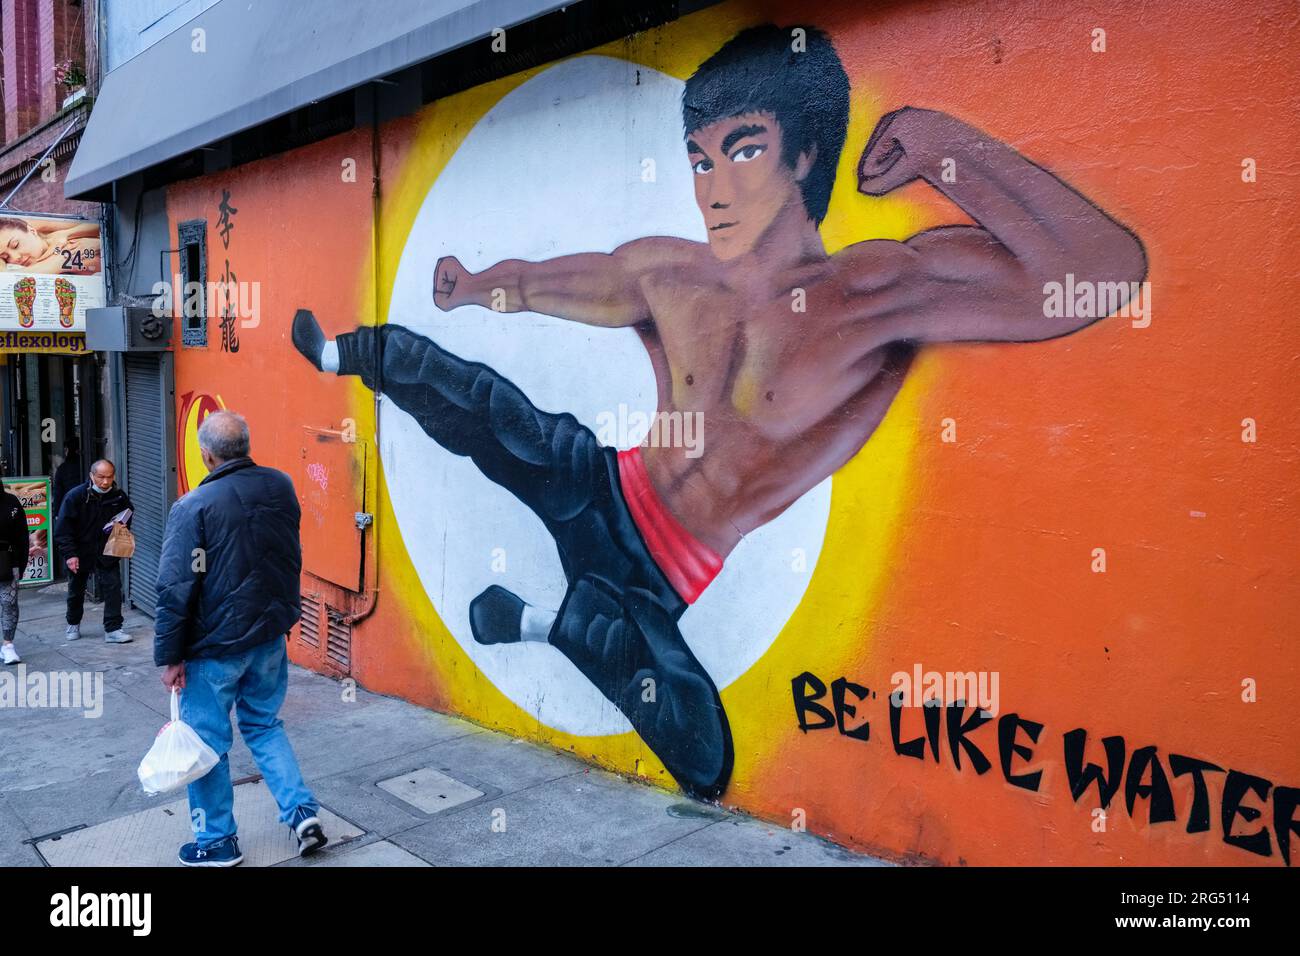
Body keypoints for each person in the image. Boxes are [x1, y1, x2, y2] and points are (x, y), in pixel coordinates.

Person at [291, 24, 1146, 799]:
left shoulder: (871, 296)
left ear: (805, 154)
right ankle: (347, 353)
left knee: (700, 755)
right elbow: (565, 281)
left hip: (657, 576)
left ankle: (558, 625)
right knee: (490, 412)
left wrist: (940, 148)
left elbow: (1099, 269)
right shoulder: (676, 273)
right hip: (598, 485)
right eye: (701, 160)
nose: (715, 187)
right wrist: (477, 289)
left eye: (743, 150)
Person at [153, 410, 326, 867]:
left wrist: (169, 655)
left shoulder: (194, 506)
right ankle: (303, 814)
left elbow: (176, 586)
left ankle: (216, 841)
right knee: (265, 726)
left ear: (205, 453)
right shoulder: (280, 485)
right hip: (268, 636)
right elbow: (287, 554)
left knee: (206, 742)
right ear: (246, 445)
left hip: (215, 647)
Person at [54, 459, 134, 644]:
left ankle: (113, 629)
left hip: (106, 550)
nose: (105, 482)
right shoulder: (75, 496)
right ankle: (73, 623)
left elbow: (128, 514)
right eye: (100, 477)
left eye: (109, 477)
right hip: (80, 550)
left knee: (113, 587)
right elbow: (63, 529)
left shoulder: (118, 496)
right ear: (91, 476)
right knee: (76, 590)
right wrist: (70, 554)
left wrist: (119, 528)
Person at [0, 216, 101, 274]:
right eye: (6, 257)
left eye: (16, 245)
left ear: (32, 230)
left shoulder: (69, 245)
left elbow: (102, 224)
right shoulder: (61, 258)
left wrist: (67, 234)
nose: (15, 258)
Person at [0, 485, 29, 665]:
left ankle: (8, 645)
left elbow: (22, 536)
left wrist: (21, 564)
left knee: (9, 602)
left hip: (7, 559)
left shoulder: (11, 502)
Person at [52, 437, 82, 517]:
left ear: (67, 450)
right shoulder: (86, 464)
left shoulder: (63, 468)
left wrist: (56, 513)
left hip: (69, 507)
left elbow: (58, 493)